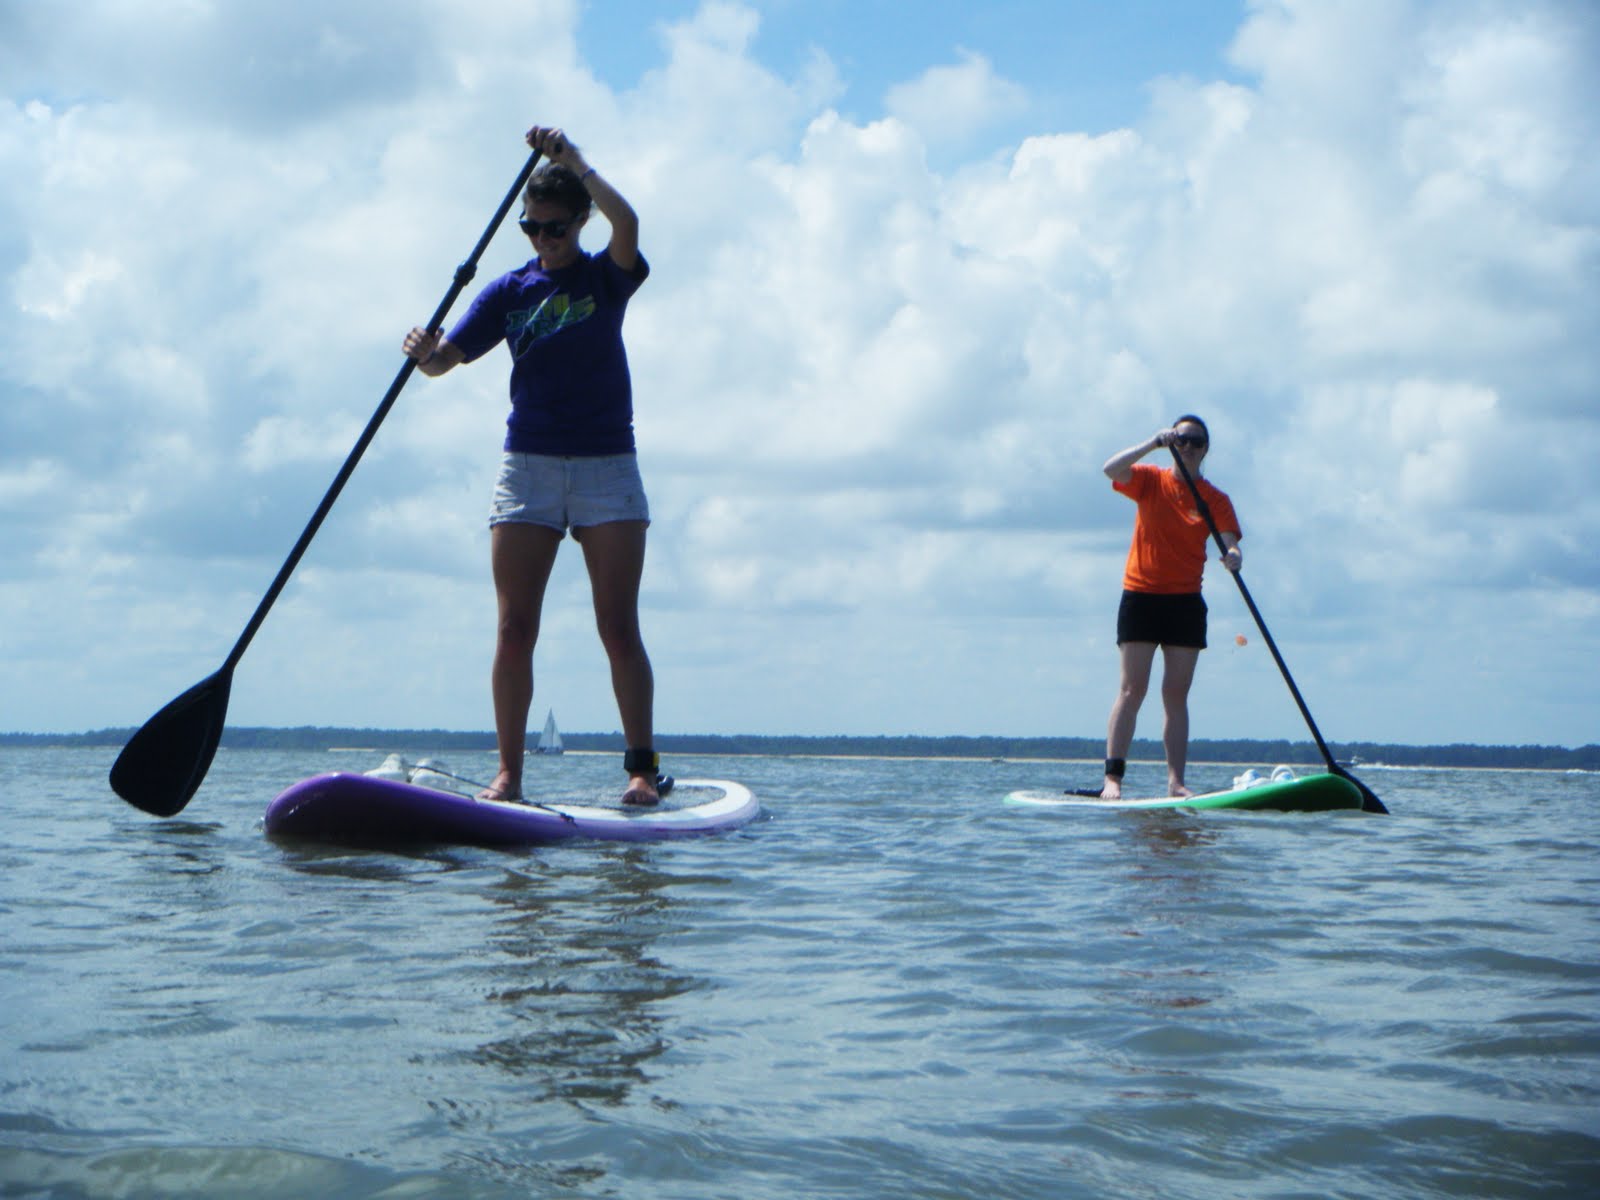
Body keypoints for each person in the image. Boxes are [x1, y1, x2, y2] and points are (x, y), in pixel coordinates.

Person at [403, 125, 660, 806]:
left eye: (554, 228)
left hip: (608, 466)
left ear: (579, 222)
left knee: (617, 626)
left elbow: (628, 221)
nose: (542, 240)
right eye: (531, 228)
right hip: (529, 468)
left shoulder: (607, 277)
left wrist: (577, 163)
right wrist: (423, 349)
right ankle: (509, 775)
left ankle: (640, 770)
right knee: (515, 628)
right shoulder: (509, 292)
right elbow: (442, 364)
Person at [1099, 415, 1242, 799]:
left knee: (1175, 695)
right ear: (1172, 445)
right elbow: (1110, 469)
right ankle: (1113, 779)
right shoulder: (1149, 479)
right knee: (1132, 690)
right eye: (1181, 440)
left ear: (1205, 449)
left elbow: (1230, 542)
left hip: (1184, 601)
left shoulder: (1214, 499)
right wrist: (1152, 442)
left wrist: (1232, 554)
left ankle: (1176, 782)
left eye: (1196, 441)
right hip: (1141, 596)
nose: (1188, 447)